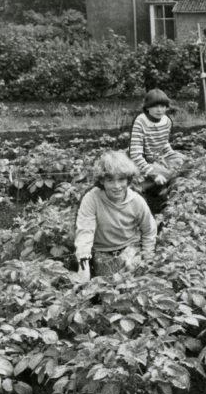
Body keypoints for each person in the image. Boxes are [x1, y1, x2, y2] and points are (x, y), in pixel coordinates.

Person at [75, 151, 157, 282]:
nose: (117, 186)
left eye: (121, 179)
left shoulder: (136, 201)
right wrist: (83, 266)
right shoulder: (92, 199)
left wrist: (148, 259)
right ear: (102, 180)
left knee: (133, 283)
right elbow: (85, 232)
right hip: (102, 252)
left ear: (128, 180)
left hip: (130, 248)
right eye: (110, 180)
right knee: (109, 288)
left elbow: (149, 230)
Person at [129, 89, 185, 214]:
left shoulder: (167, 121)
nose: (159, 110)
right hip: (142, 160)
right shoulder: (141, 121)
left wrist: (175, 157)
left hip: (157, 158)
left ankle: (163, 196)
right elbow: (135, 154)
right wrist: (153, 173)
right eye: (155, 106)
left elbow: (164, 144)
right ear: (147, 108)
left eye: (163, 106)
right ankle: (148, 201)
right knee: (148, 177)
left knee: (182, 163)